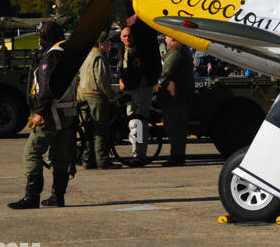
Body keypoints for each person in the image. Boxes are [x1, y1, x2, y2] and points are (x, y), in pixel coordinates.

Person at [8, 21, 78, 209]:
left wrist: (39, 112)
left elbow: (46, 88)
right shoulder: (67, 53)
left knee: (31, 153)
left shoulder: (51, 56)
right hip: (66, 112)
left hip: (51, 113)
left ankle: (32, 197)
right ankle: (58, 197)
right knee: (59, 155)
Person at [78, 34, 121, 169]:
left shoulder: (86, 56)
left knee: (88, 131)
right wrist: (111, 95)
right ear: (100, 43)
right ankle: (102, 160)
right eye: (106, 42)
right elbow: (102, 80)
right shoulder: (98, 57)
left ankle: (88, 160)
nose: (108, 45)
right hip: (96, 96)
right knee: (100, 129)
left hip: (83, 94)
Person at [157, 34, 195, 165]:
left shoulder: (175, 50)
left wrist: (153, 77)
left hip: (175, 95)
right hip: (182, 94)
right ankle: (178, 155)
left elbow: (165, 71)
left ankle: (177, 156)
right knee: (179, 126)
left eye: (166, 37)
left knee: (174, 127)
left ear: (172, 38)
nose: (165, 40)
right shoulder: (182, 48)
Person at [118, 25, 153, 161]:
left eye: (129, 35)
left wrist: (144, 79)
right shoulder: (122, 50)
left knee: (139, 121)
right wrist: (120, 79)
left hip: (141, 89)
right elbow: (121, 67)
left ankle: (139, 153)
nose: (127, 38)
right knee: (132, 122)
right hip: (129, 89)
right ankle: (136, 150)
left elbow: (146, 68)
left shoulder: (141, 51)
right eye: (124, 36)